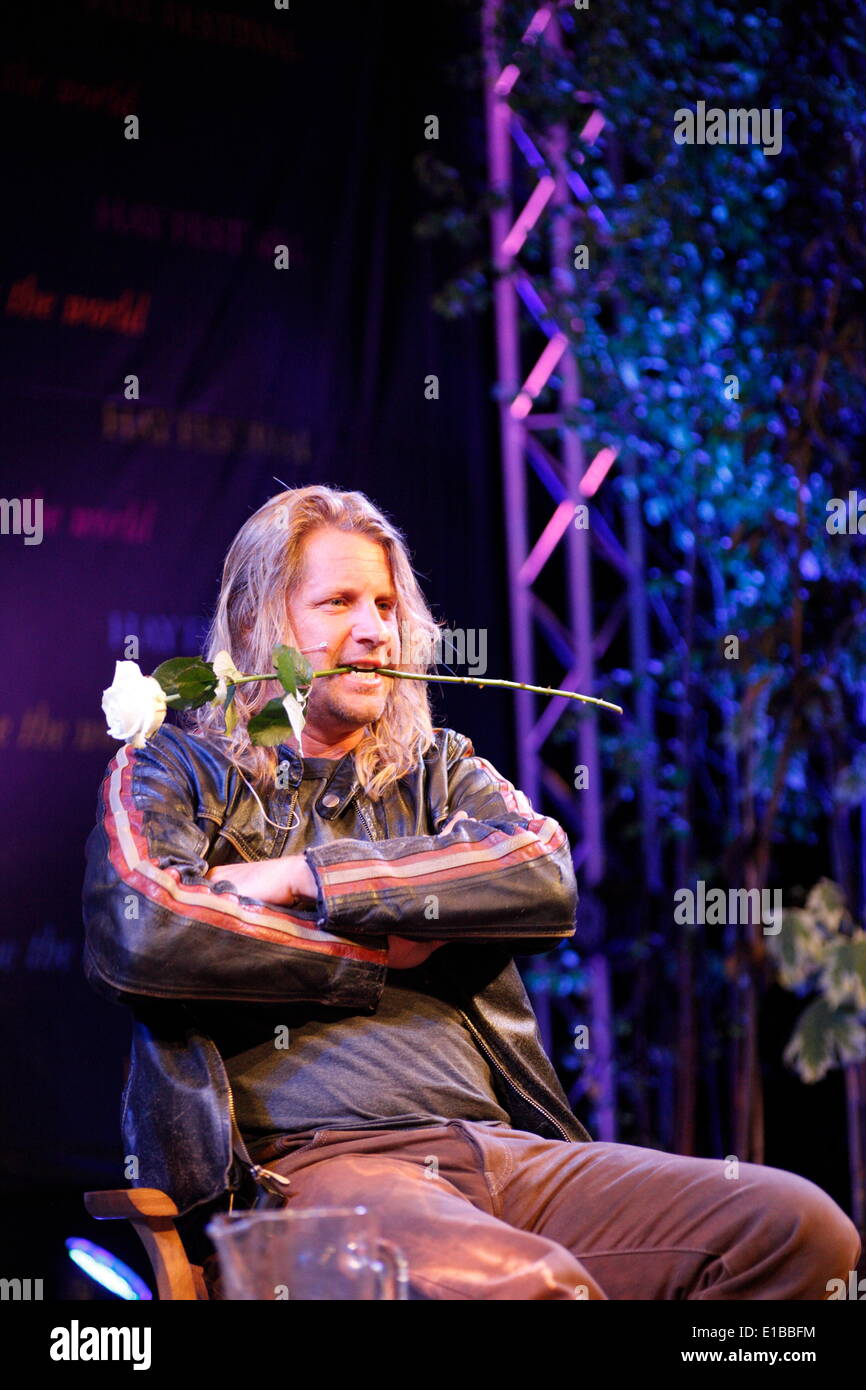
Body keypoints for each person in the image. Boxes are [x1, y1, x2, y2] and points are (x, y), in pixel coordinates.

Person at [82, 484, 861, 1301]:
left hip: (505, 1151)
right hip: (319, 1173)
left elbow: (539, 871)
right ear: (255, 626)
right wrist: (377, 949)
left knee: (796, 1230)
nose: (374, 629)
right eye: (338, 602)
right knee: (526, 1287)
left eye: (385, 603)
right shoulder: (176, 768)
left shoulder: (439, 770)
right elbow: (144, 925)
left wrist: (306, 879)